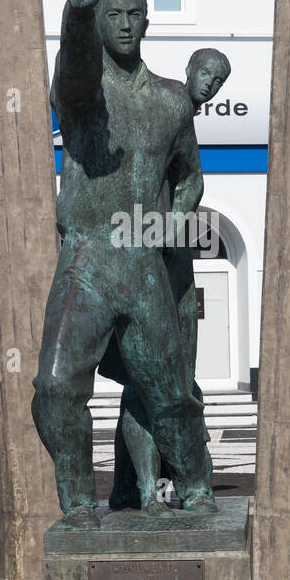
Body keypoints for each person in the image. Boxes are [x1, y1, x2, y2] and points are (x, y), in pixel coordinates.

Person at [31, 0, 216, 529]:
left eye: (134, 14)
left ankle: (195, 486)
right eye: (114, 16)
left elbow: (190, 178)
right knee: (56, 384)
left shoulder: (171, 102)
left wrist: (175, 217)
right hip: (86, 259)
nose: (126, 25)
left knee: (170, 394)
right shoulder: (83, 96)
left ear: (148, 21)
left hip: (141, 264)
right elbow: (74, 73)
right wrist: (78, 12)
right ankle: (79, 501)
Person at [106, 49, 231, 514]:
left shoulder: (180, 114)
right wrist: (159, 231)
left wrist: (172, 226)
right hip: (142, 257)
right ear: (190, 70)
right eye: (207, 74)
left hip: (168, 257)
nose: (210, 85)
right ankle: (149, 487)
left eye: (218, 81)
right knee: (148, 380)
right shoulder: (170, 102)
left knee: (166, 381)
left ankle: (135, 487)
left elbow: (192, 181)